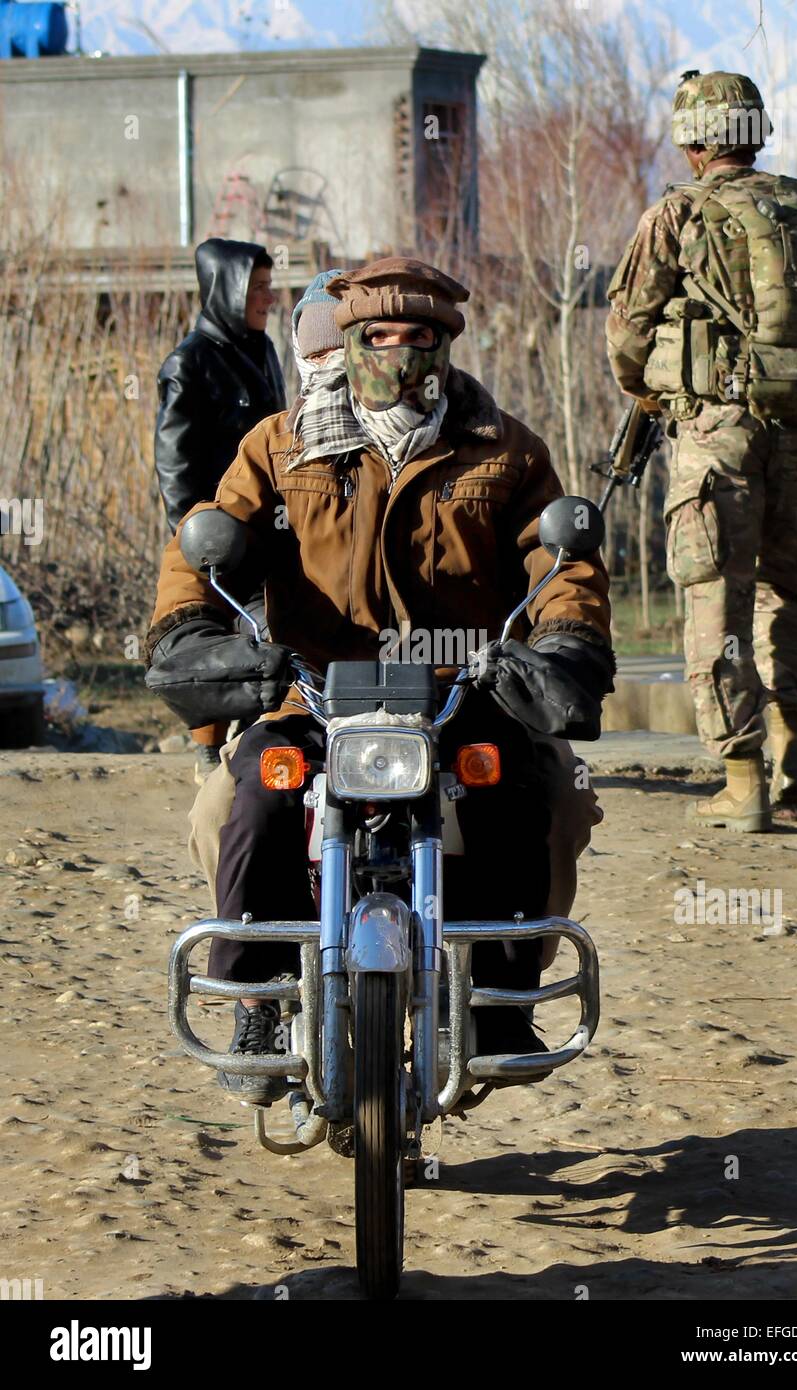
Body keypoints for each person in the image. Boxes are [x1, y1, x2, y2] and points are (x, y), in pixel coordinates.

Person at [145, 256, 614, 1105]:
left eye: (421, 337)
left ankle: (499, 999)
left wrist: (566, 641)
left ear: (447, 346)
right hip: (315, 693)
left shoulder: (505, 449)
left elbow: (562, 562)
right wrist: (192, 632)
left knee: (543, 790)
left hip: (463, 689)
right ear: (351, 342)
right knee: (241, 799)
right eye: (380, 336)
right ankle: (260, 999)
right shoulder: (280, 445)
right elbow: (201, 547)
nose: (400, 353)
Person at [606, 70, 797, 829]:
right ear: (755, 130)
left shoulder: (676, 213)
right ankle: (796, 764)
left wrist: (653, 390)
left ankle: (742, 780)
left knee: (715, 595)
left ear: (692, 139)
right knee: (789, 589)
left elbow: (626, 330)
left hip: (717, 431)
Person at [154, 238, 287, 784]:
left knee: (275, 627)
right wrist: (202, 538)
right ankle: (209, 753)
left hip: (268, 526)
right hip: (212, 531)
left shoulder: (262, 349)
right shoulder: (188, 363)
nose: (269, 299)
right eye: (257, 289)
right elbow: (174, 468)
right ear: (225, 290)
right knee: (202, 633)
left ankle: (264, 735)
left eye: (269, 287)